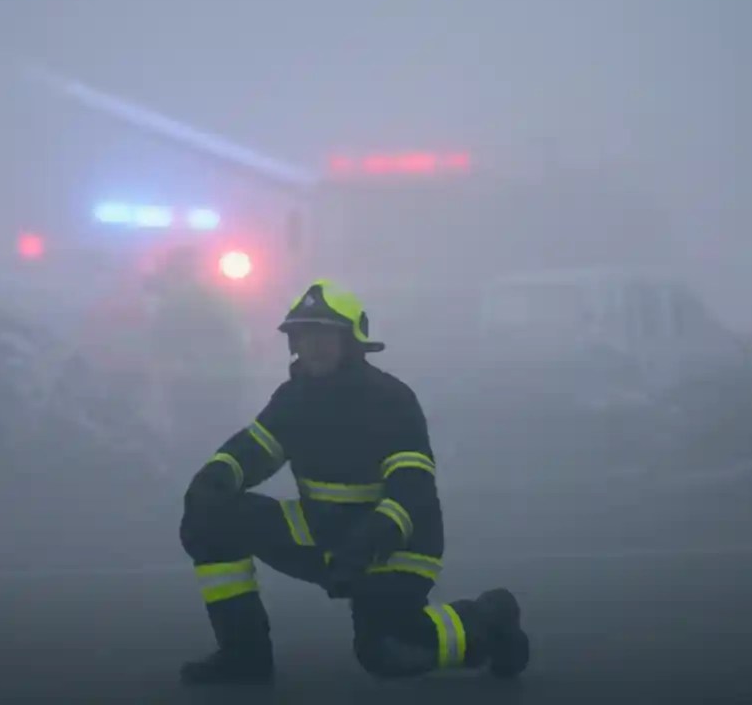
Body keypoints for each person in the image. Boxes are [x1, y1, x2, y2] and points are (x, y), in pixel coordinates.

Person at [178, 278, 530, 685]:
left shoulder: (389, 400)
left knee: (387, 653)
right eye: (305, 334)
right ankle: (244, 657)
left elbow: (412, 493)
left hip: (397, 543)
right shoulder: (293, 398)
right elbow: (254, 449)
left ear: (353, 341)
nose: (314, 344)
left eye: (326, 334)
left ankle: (490, 621)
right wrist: (213, 478)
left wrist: (365, 546)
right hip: (324, 531)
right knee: (211, 518)